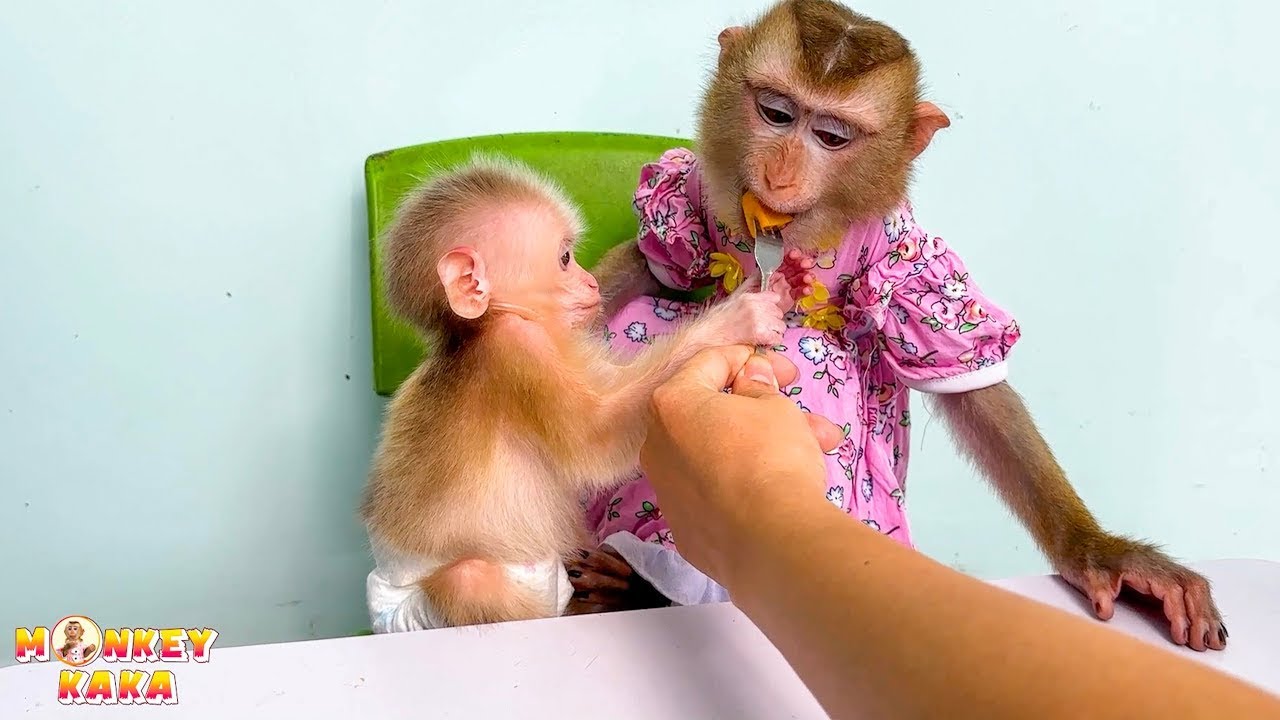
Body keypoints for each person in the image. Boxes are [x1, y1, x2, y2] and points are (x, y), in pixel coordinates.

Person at [637, 345, 1280, 720]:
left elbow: (975, 388)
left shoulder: (897, 259)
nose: (780, 174)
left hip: (801, 563)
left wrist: (1078, 539)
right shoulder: (680, 209)